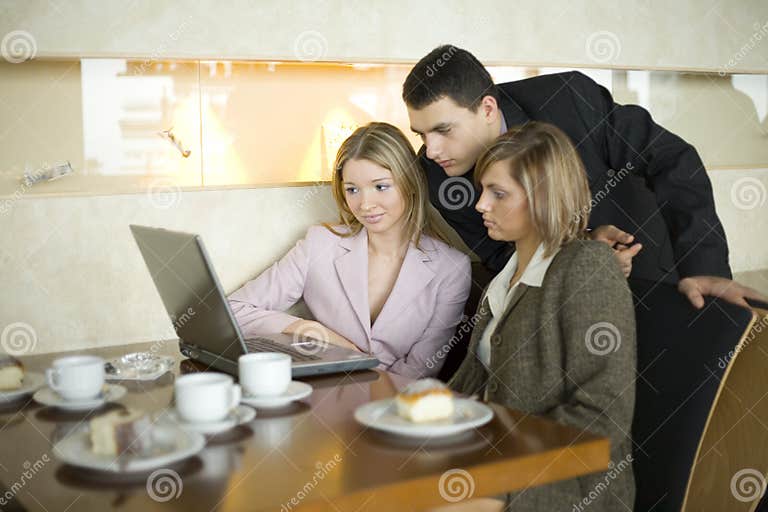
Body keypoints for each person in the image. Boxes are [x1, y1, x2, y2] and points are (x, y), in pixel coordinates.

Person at [403, 44, 766, 309]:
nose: (431, 150)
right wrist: (583, 253)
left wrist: (704, 267)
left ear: (486, 108)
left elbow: (672, 159)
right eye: (421, 135)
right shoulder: (438, 179)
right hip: (564, 308)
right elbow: (504, 258)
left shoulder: (568, 100)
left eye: (443, 130)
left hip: (660, 278)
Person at [446, 122, 635, 511]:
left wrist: (494, 452)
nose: (480, 204)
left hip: (567, 484)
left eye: (498, 194)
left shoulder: (587, 266)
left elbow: (603, 416)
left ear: (543, 197)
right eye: (483, 190)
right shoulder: (507, 274)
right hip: (493, 464)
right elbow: (473, 381)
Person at [228, 122, 471, 378]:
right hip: (322, 393)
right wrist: (307, 329)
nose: (365, 204)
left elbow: (422, 369)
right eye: (352, 190)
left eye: (381, 186)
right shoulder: (319, 244)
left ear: (409, 182)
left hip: (394, 407)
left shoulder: (451, 268)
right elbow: (234, 310)